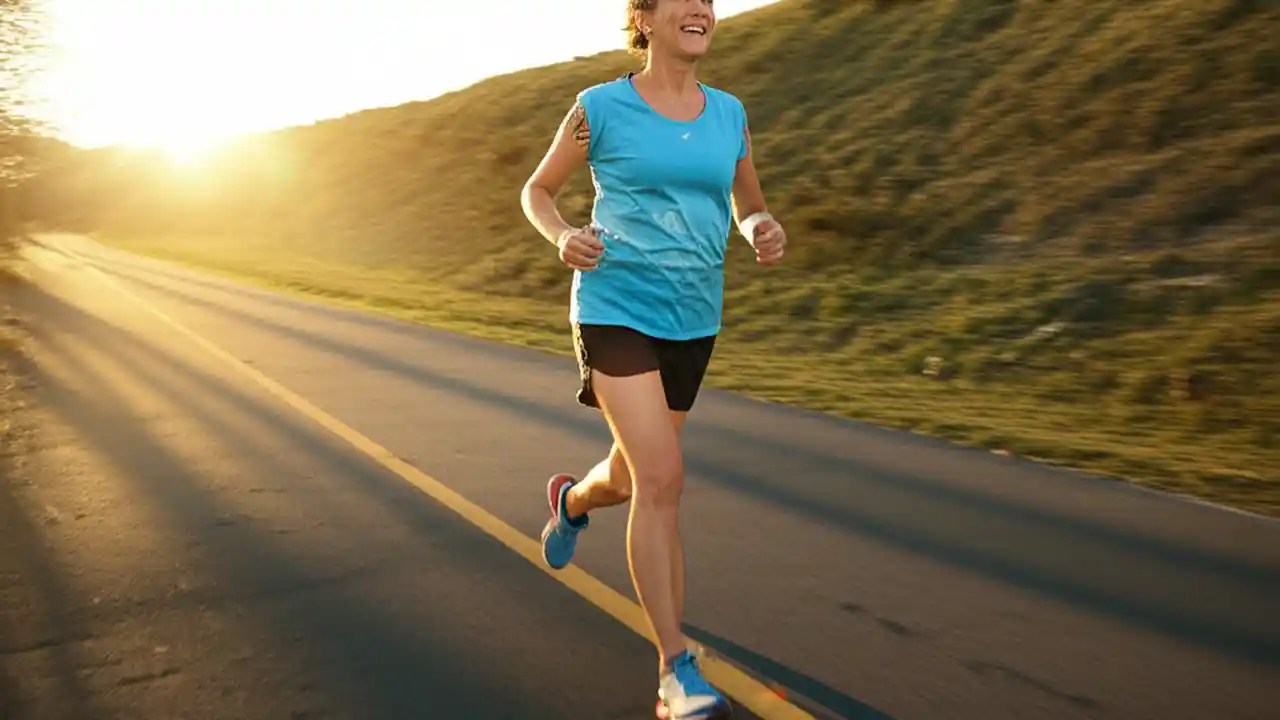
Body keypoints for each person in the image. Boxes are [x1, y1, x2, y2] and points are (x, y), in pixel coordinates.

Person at [519, 0, 786, 717]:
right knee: (663, 479)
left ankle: (572, 502)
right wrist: (561, 235)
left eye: (708, 0)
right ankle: (675, 670)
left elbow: (746, 202)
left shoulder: (729, 114)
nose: (702, 8)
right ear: (647, 18)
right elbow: (538, 189)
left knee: (633, 479)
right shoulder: (597, 108)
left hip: (693, 320)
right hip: (614, 308)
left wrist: (761, 225)